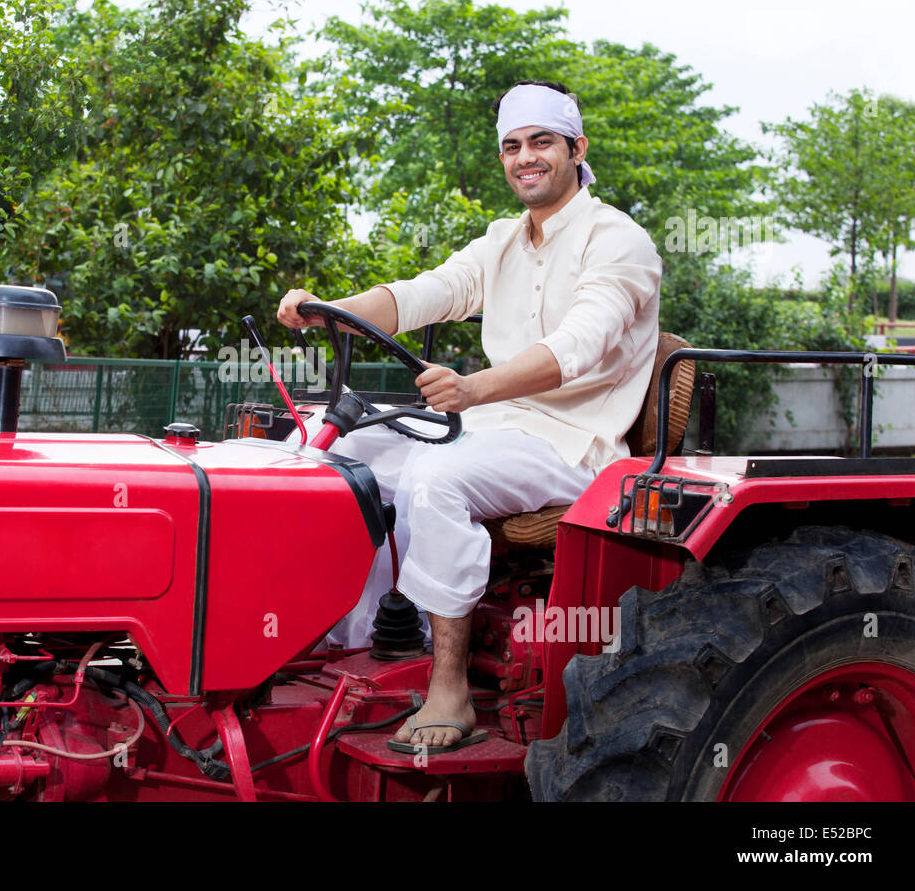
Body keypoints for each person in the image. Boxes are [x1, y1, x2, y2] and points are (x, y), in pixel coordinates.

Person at [276, 80, 662, 753]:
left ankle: (448, 688)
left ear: (577, 148)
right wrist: (327, 306)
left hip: (574, 449)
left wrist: (475, 388)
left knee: (436, 477)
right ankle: (357, 644)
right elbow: (425, 293)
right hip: (490, 429)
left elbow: (578, 347)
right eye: (512, 146)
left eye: (541, 142)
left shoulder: (619, 242)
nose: (525, 159)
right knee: (327, 450)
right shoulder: (500, 241)